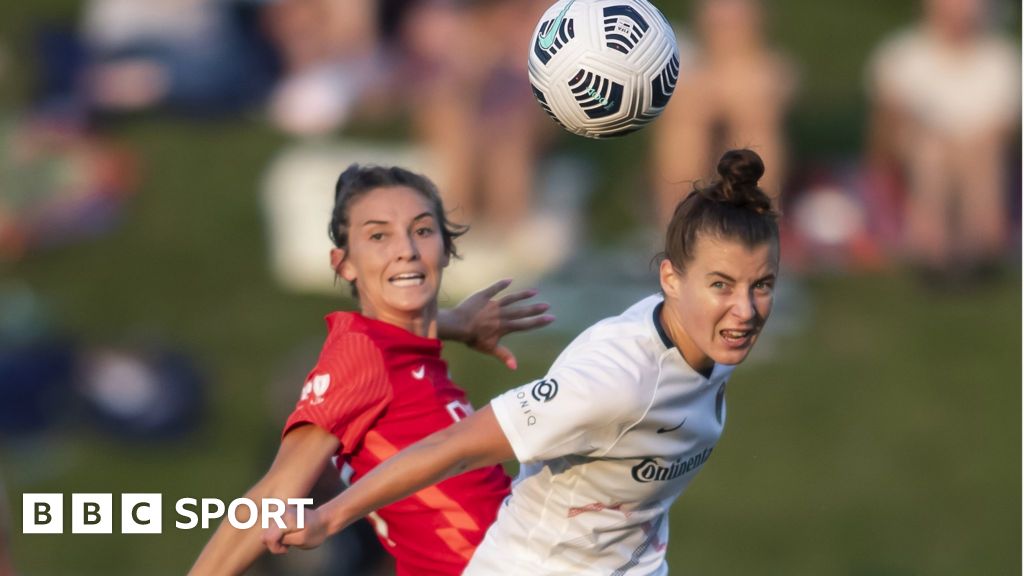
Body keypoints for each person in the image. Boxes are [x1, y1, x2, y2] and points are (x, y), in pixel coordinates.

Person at [263, 149, 780, 575]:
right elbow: (453, 448)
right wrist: (329, 519)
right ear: (670, 279)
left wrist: (450, 324)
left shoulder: (711, 339)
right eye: (721, 285)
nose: (746, 309)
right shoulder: (614, 384)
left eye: (762, 286)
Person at [189, 164, 554, 575]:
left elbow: (407, 328)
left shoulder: (403, 349)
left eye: (422, 230)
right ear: (343, 264)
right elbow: (272, 496)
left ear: (446, 249)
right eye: (378, 235)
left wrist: (457, 324)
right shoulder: (362, 355)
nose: (406, 249)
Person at [865, 0, 1019, 278]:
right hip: (919, 150)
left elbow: (1006, 127)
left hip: (980, 150)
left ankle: (979, 243)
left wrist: (963, 145)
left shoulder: (1003, 58)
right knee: (931, 151)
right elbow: (889, 123)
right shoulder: (902, 54)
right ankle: (933, 245)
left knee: (982, 152)